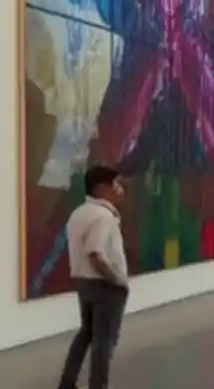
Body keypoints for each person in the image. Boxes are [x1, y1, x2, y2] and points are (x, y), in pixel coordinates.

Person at [58, 166, 129, 389]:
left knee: (86, 334)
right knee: (104, 341)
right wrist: (117, 280)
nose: (120, 189)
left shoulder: (79, 213)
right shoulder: (103, 217)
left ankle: (67, 382)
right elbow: (95, 253)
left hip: (83, 283)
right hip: (104, 286)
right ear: (101, 188)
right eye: (115, 184)